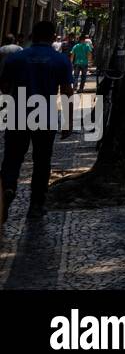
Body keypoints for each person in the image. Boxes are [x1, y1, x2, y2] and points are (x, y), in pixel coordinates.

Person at [1, 20, 74, 227]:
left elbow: (4, 87)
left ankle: (7, 187)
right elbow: (67, 91)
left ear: (32, 35)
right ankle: (36, 205)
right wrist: (68, 122)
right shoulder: (60, 60)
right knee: (42, 162)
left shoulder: (16, 58)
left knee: (12, 158)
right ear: (52, 37)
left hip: (18, 113)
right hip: (45, 115)